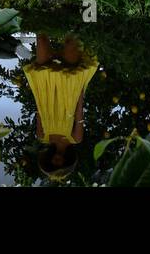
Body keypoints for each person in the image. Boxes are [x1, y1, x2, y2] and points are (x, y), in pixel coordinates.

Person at [22, 33, 98, 182]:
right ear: (67, 162)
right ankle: (88, 10)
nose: (56, 162)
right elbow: (79, 115)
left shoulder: (42, 136)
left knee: (41, 38)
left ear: (48, 161)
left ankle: (43, 10)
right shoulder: (75, 139)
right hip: (70, 89)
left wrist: (37, 87)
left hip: (47, 87)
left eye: (52, 165)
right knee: (72, 39)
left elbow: (39, 109)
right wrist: (80, 89)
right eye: (60, 165)